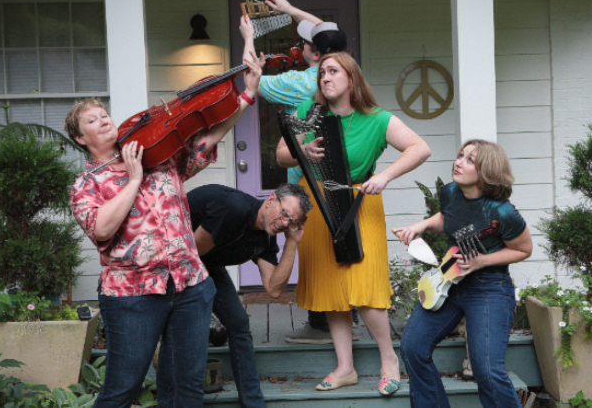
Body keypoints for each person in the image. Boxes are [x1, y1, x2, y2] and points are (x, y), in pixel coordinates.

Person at [65, 51, 263, 408]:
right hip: (133, 296)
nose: (103, 120)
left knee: (186, 389)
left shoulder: (159, 156)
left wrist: (246, 96)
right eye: (92, 121)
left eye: (104, 114)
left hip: (189, 285)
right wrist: (134, 178)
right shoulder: (87, 183)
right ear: (80, 138)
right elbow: (102, 229)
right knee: (122, 389)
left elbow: (206, 140)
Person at [276, 51, 431, 395]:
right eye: (321, 73)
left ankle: (389, 359)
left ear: (351, 78)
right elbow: (281, 155)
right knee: (333, 289)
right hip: (316, 204)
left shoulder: (376, 118)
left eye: (333, 71)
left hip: (359, 204)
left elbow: (420, 148)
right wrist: (305, 151)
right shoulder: (308, 113)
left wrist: (387, 175)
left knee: (364, 288)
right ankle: (345, 367)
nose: (325, 78)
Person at [240, 0, 356, 345]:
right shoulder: (344, 69)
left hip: (308, 180)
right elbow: (325, 32)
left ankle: (320, 324)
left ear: (315, 54)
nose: (299, 46)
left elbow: (252, 79)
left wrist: (247, 36)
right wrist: (290, 10)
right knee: (337, 250)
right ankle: (335, 319)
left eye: (304, 44)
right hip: (340, 177)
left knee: (315, 251)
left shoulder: (304, 83)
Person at [395, 139, 533, 408]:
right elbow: (448, 217)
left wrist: (483, 261)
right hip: (449, 281)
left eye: (470, 160)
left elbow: (523, 249)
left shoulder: (503, 212)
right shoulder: (450, 192)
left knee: (487, 371)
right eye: (460, 155)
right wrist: (422, 225)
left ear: (486, 172)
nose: (458, 162)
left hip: (490, 287)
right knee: (413, 347)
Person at [179, 183, 312, 408]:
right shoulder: (234, 209)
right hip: (175, 257)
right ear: (271, 200)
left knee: (239, 323)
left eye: (292, 221)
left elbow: (274, 288)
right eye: (285, 214)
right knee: (195, 327)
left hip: (206, 262)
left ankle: (253, 402)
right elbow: (189, 255)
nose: (285, 224)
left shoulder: (266, 236)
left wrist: (292, 242)